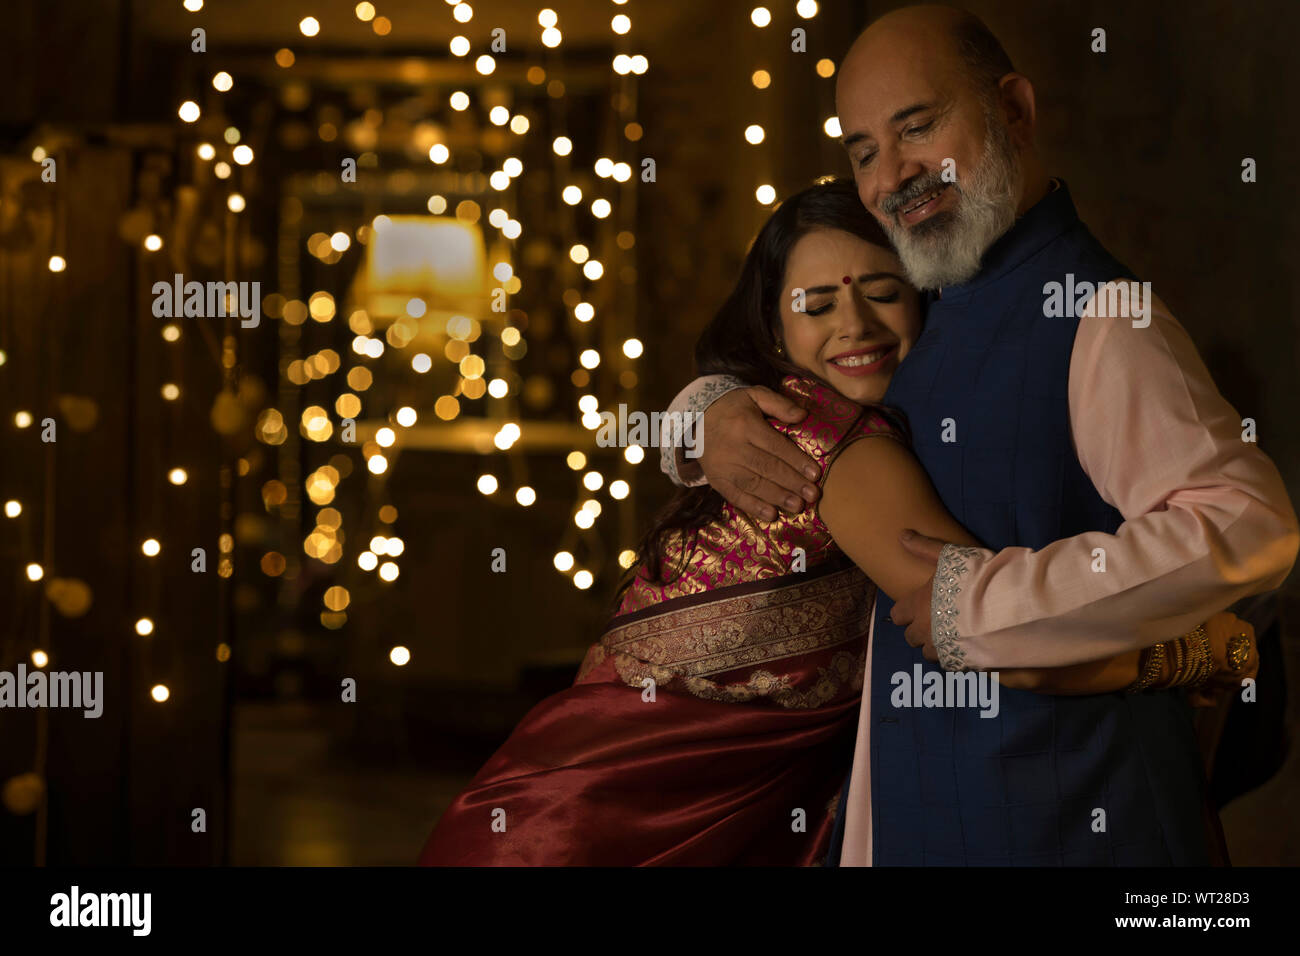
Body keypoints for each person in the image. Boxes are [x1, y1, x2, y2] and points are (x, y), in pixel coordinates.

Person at [420, 179, 1256, 866]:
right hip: (585, 824)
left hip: (586, 804)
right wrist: (1204, 651)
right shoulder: (836, 447)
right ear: (775, 330)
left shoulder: (805, 421)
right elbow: (997, 638)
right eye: (816, 305)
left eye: (882, 293)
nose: (853, 325)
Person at [660, 6, 1298, 866]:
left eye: (918, 127)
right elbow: (822, 368)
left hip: (1078, 825)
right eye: (863, 151)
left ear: (1015, 111)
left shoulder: (1102, 315)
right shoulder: (931, 294)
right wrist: (707, 408)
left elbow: (1248, 522)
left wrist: (993, 608)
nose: (893, 174)